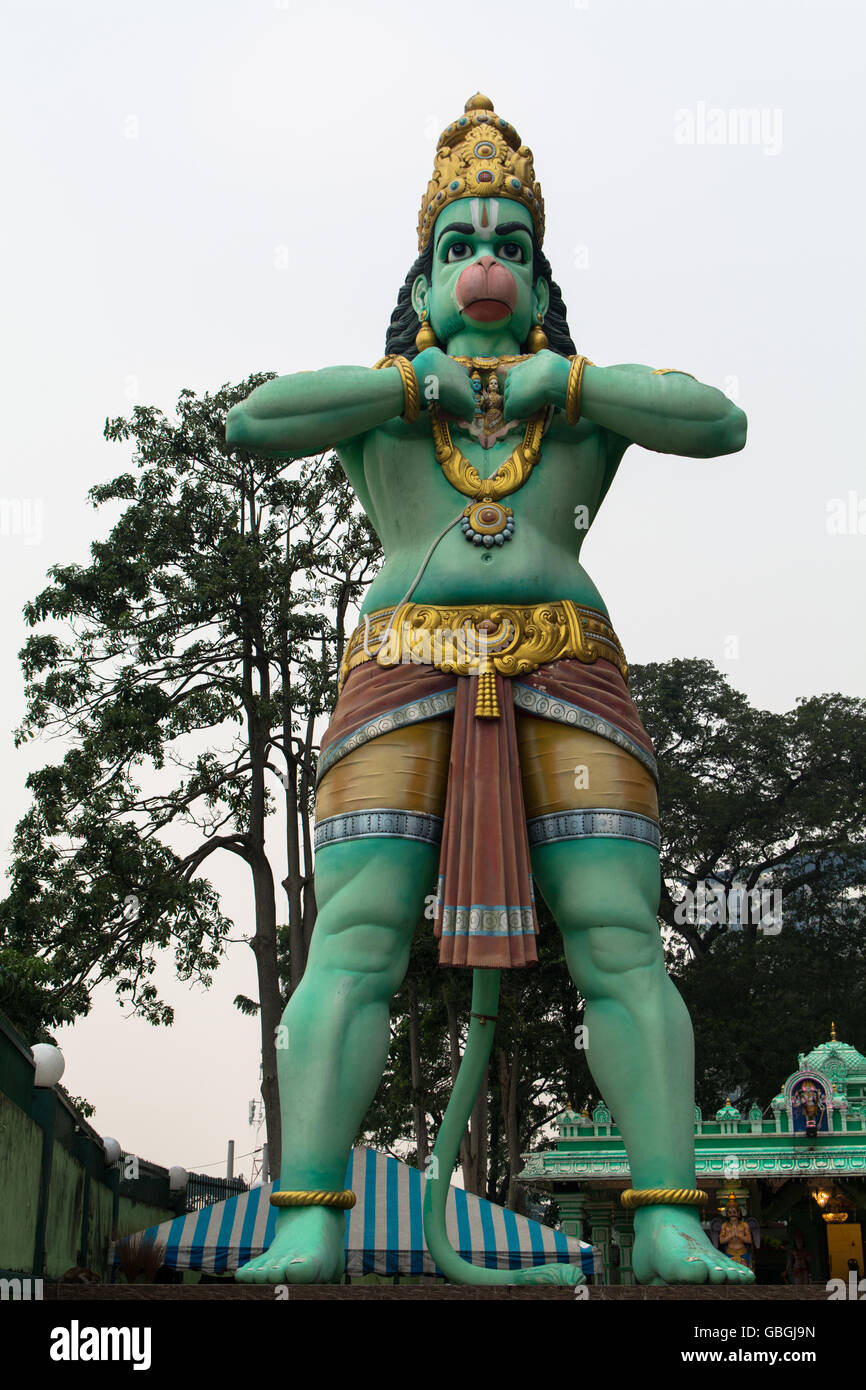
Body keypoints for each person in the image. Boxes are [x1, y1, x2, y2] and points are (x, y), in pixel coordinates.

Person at [227, 93, 752, 1286]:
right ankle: (308, 1209)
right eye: (456, 247)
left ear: (540, 280)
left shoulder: (581, 404)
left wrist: (561, 386)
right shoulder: (381, 403)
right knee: (353, 938)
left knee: (619, 937)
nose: (482, 269)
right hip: (401, 666)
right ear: (419, 286)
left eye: (508, 247)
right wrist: (407, 390)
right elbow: (251, 422)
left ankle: (667, 1215)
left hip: (567, 664)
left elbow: (717, 421)